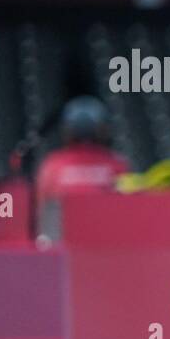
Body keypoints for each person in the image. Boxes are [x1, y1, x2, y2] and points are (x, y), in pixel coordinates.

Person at [33, 96, 128, 240]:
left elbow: (40, 216)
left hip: (61, 246)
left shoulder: (52, 164)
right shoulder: (117, 164)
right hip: (102, 244)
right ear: (102, 129)